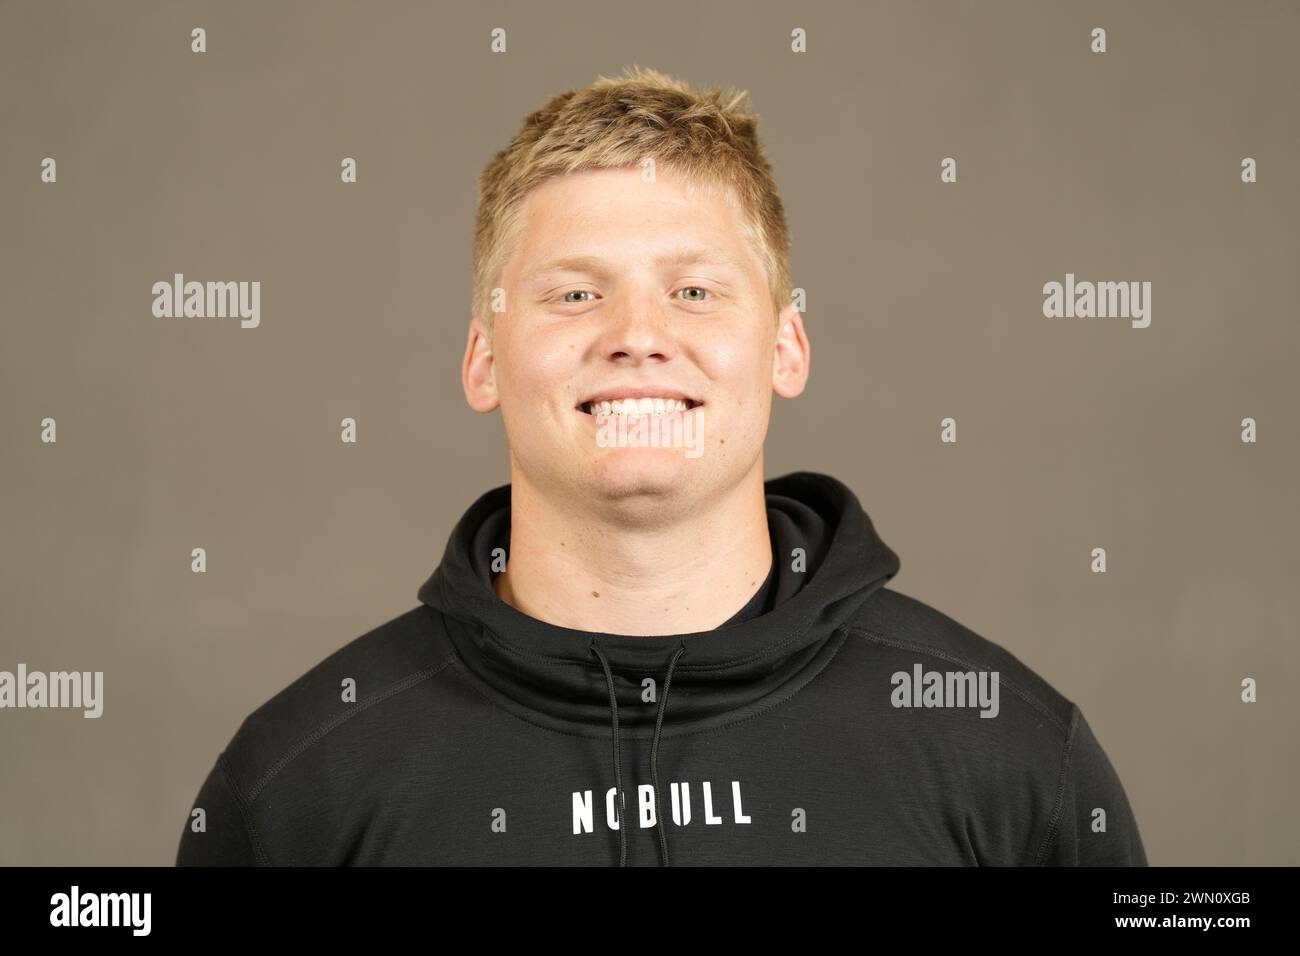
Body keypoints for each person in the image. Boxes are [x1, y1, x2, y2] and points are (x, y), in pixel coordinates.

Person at [176, 66, 1146, 866]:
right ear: (482, 359)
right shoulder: (300, 783)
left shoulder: (1009, 752)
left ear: (786, 346)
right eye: (572, 293)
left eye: (693, 289)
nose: (637, 335)